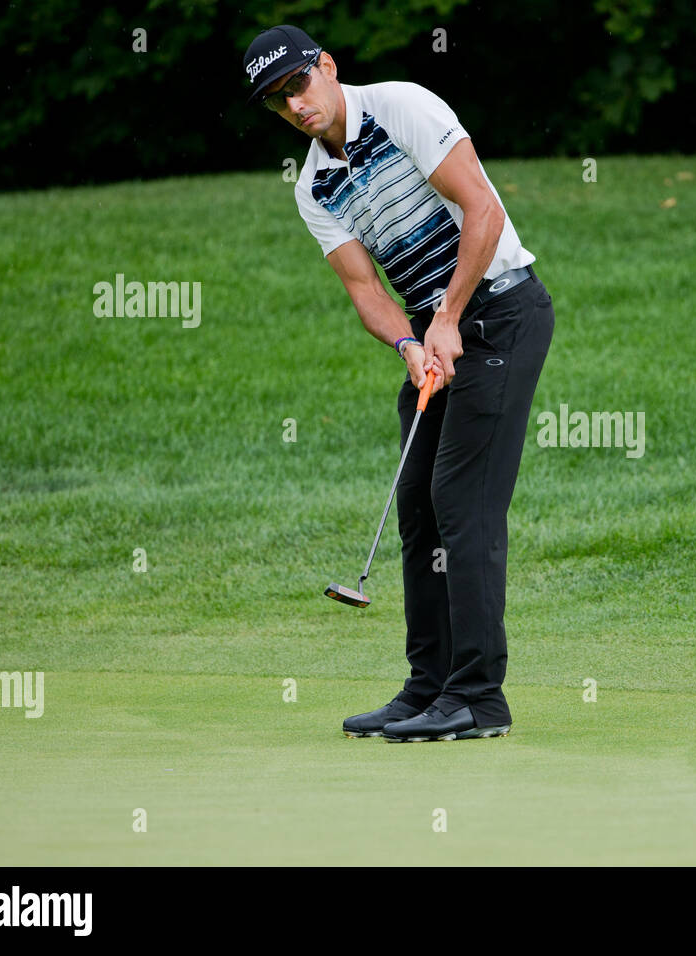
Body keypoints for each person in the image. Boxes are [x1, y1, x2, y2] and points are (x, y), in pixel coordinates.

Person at [243, 25, 554, 742]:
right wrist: (413, 342)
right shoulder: (313, 185)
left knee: (460, 499)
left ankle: (479, 698)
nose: (294, 104)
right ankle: (428, 689)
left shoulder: (402, 106)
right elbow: (365, 290)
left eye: (298, 83)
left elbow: (485, 208)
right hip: (436, 335)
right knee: (417, 500)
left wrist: (446, 315)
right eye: (276, 100)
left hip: (501, 312)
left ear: (326, 67)